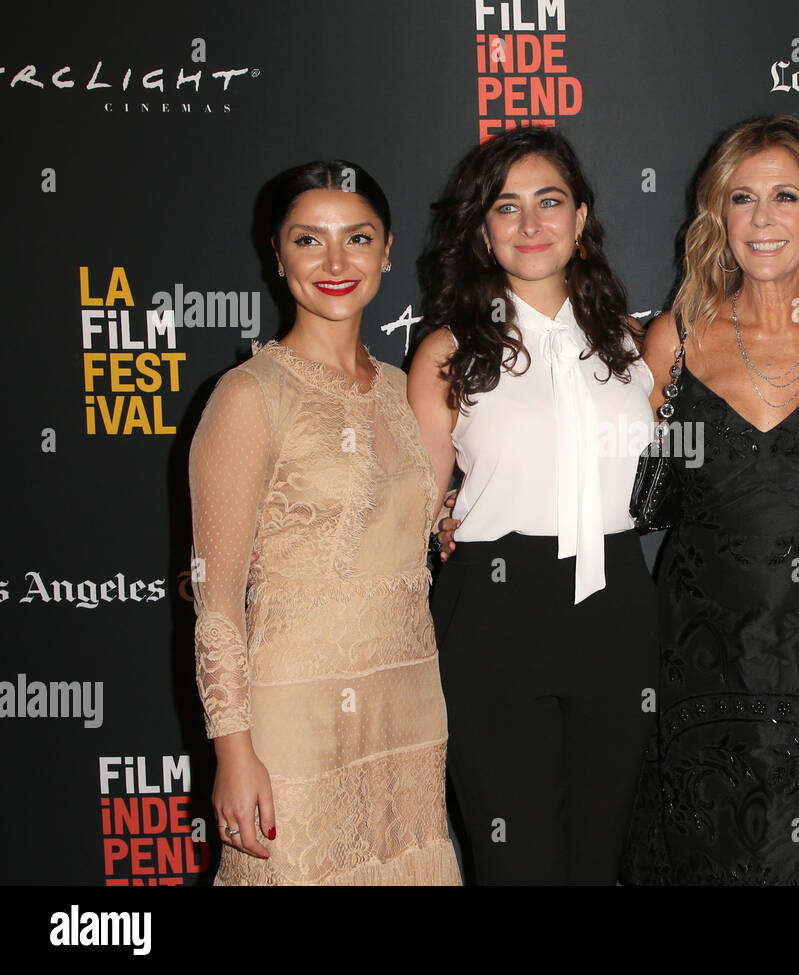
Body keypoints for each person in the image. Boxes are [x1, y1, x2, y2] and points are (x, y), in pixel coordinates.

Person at [621, 114, 799, 885]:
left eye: (785, 196)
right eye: (743, 199)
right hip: (701, 654)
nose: (764, 219)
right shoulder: (675, 338)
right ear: (719, 216)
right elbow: (636, 494)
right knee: (710, 849)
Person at [189, 160, 459, 885]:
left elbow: (416, 526)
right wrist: (232, 749)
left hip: (408, 708)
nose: (336, 262)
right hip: (296, 719)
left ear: (388, 249)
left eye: (358, 238)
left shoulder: (408, 392)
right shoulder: (248, 396)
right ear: (277, 256)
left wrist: (446, 523)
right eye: (310, 240)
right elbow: (215, 600)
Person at [407, 127, 657, 884]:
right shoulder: (447, 352)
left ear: (581, 218)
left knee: (598, 855)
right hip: (494, 611)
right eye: (506, 207)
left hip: (618, 604)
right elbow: (414, 503)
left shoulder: (633, 344)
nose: (530, 224)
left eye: (549, 202)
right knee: (515, 860)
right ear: (483, 230)